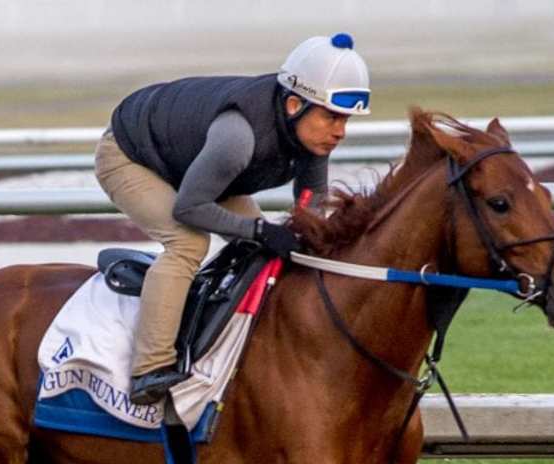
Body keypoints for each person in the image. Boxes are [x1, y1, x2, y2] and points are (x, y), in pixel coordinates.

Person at [95, 33, 372, 406]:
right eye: (332, 117)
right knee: (189, 242)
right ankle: (150, 368)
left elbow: (311, 209)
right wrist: (260, 229)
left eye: (346, 121)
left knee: (261, 250)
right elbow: (189, 208)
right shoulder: (237, 138)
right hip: (131, 155)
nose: (340, 132)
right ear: (294, 105)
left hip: (192, 162)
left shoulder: (312, 136)